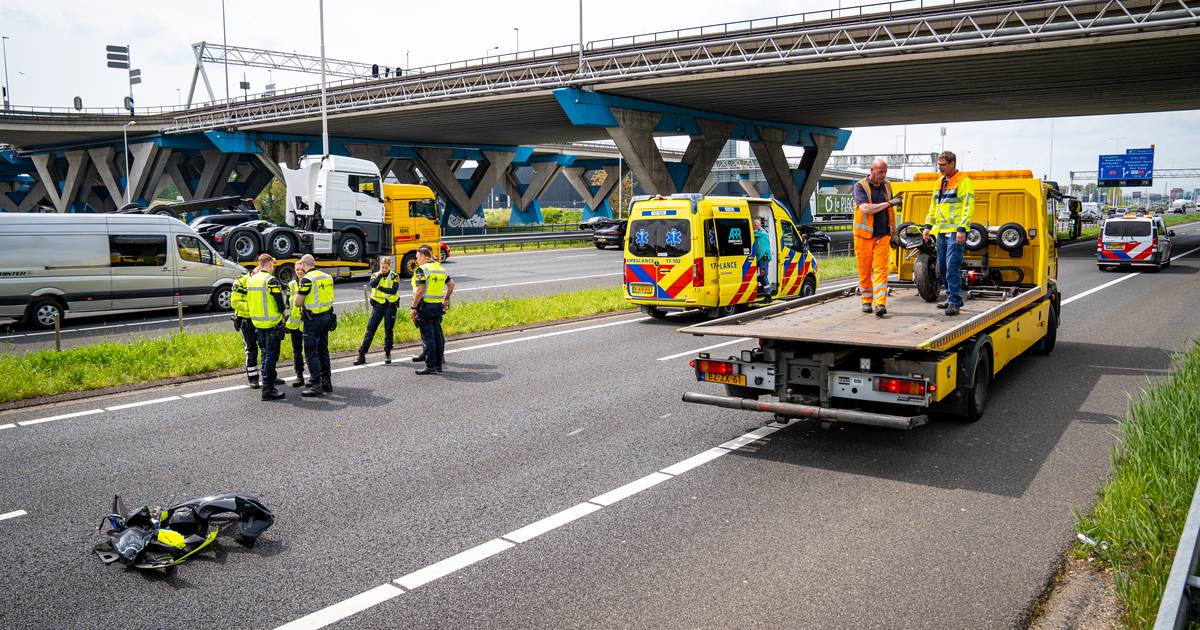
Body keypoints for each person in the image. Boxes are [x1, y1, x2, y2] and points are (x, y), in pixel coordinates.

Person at [922, 151, 975, 317]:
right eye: (939, 165)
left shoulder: (963, 182)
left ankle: (954, 300)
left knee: (952, 265)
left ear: (952, 164)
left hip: (955, 232)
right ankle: (954, 297)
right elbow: (934, 206)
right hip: (942, 231)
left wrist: (961, 229)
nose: (940, 168)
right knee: (942, 267)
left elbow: (968, 206)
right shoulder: (939, 182)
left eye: (943, 165)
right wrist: (927, 225)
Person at [852, 159, 903, 318]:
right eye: (880, 172)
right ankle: (866, 300)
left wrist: (893, 233)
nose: (883, 175)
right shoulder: (860, 186)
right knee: (865, 270)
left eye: (885, 172)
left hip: (882, 235)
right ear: (871, 170)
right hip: (864, 237)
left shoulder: (887, 186)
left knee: (882, 269)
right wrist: (888, 203)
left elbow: (891, 213)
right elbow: (866, 209)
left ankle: (880, 302)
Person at [245, 254, 287, 401]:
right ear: (269, 265)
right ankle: (268, 390)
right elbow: (279, 303)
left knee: (264, 353)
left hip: (257, 323)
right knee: (271, 356)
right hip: (271, 324)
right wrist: (283, 313)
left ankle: (270, 379)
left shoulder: (250, 280)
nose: (273, 267)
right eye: (273, 265)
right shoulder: (271, 280)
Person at [294, 254, 335, 397]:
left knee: (311, 352)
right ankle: (327, 382)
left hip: (313, 320)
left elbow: (298, 303)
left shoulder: (307, 280)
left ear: (304, 265)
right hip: (327, 316)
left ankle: (316, 385)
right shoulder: (327, 276)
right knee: (323, 350)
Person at [410, 244, 454, 375]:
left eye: (417, 257)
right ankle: (439, 364)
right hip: (438, 307)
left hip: (425, 307)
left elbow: (420, 290)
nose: (416, 260)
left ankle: (430, 366)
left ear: (424, 256)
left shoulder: (422, 270)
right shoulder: (440, 268)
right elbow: (451, 284)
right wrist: (446, 299)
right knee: (438, 336)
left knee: (428, 337)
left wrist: (413, 307)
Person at [354, 256, 400, 366]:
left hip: (390, 305)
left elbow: (393, 290)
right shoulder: (375, 275)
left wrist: (381, 289)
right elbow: (372, 285)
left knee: (388, 330)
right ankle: (361, 354)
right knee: (370, 329)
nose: (383, 269)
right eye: (382, 267)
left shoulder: (394, 276)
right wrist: (380, 275)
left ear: (390, 267)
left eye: (385, 267)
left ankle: (387, 353)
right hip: (378, 306)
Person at [229, 266, 261, 388]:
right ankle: (253, 378)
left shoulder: (264, 280)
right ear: (252, 271)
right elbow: (235, 302)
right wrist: (252, 306)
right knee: (251, 349)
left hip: (262, 319)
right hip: (246, 321)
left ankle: (269, 375)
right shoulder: (240, 282)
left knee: (267, 348)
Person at [284, 265, 307, 388]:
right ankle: (299, 376)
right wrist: (285, 319)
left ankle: (315, 377)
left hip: (307, 323)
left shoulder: (309, 282)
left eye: (301, 269)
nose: (299, 272)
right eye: (297, 269)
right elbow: (287, 304)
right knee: (297, 352)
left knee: (310, 352)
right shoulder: (291, 284)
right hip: (294, 325)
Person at [752, 216, 772, 301]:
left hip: (763, 257)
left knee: (763, 275)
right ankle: (764, 291)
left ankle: (768, 295)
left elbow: (751, 233)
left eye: (754, 226)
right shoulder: (760, 232)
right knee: (760, 276)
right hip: (761, 257)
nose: (753, 227)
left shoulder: (762, 233)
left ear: (757, 225)